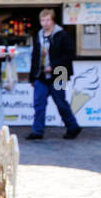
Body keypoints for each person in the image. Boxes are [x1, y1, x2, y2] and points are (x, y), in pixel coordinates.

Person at [27, 8, 81, 140]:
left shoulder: (62, 35)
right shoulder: (38, 36)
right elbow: (34, 56)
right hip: (41, 75)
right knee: (39, 104)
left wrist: (53, 66)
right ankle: (37, 131)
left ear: (53, 20)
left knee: (61, 102)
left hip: (60, 73)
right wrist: (32, 76)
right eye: (42, 20)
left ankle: (73, 127)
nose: (44, 23)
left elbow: (68, 55)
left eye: (47, 20)